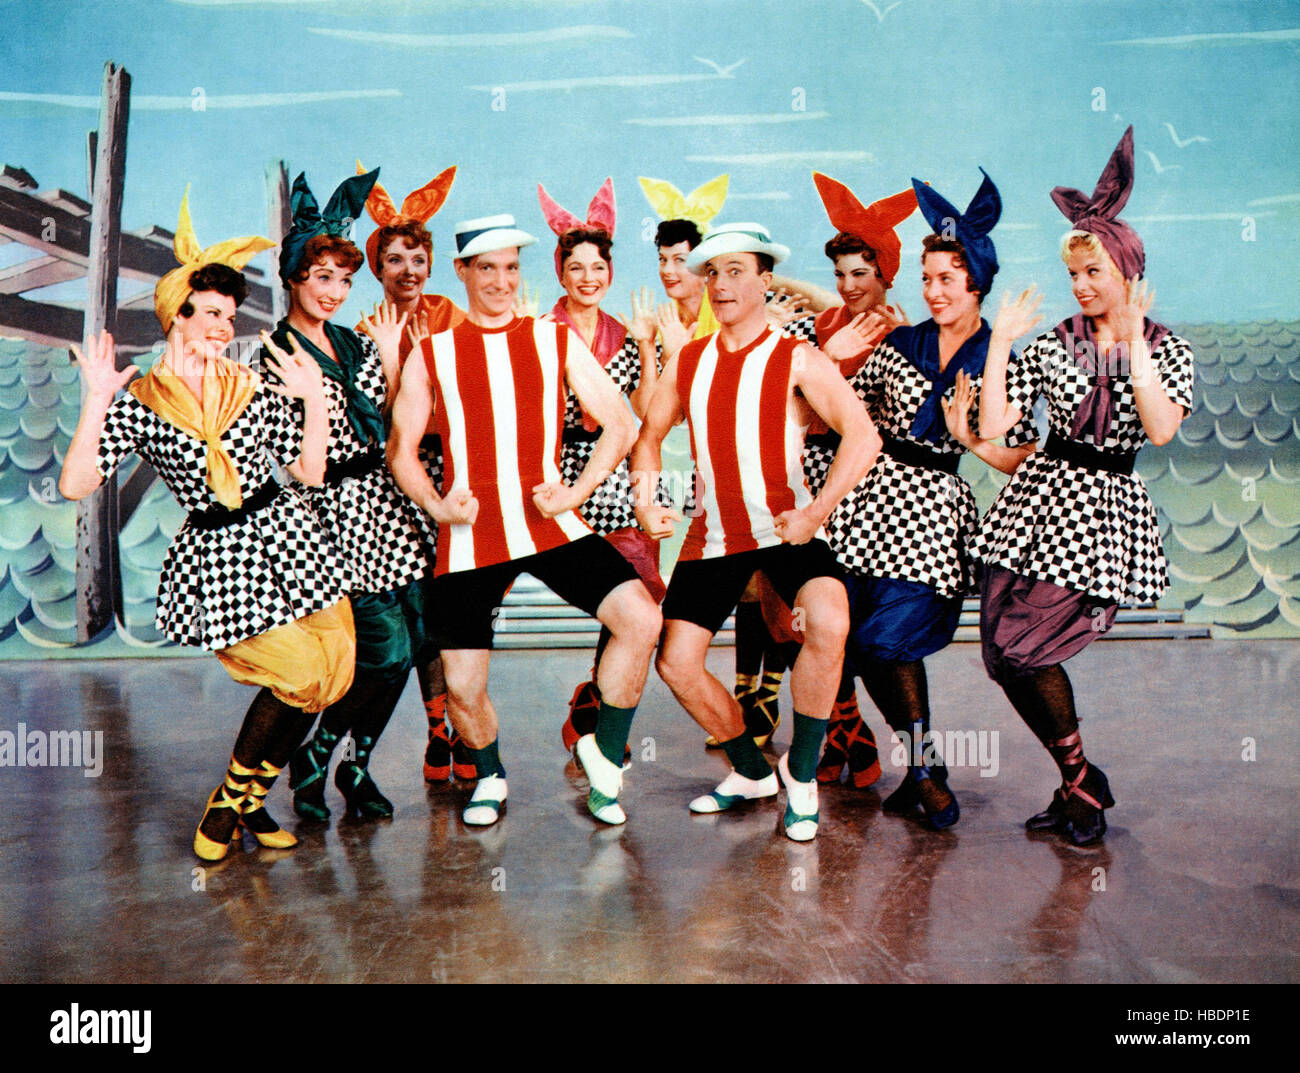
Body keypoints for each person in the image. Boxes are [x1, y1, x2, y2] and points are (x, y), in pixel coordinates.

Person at [58, 190, 355, 862]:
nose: (225, 325)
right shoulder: (140, 400)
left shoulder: (248, 384)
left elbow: (308, 472)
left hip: (289, 535)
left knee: (332, 670)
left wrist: (311, 401)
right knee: (301, 670)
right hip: (224, 553)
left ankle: (249, 804)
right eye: (213, 313)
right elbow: (77, 483)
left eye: (230, 313)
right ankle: (227, 803)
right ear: (177, 314)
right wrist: (98, 401)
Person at [388, 213, 662, 828]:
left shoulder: (552, 338)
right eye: (487, 268)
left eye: (512, 267)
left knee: (642, 620)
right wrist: (436, 506)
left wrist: (577, 491)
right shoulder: (432, 353)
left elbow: (621, 423)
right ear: (462, 272)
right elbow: (400, 451)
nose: (502, 280)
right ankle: (489, 776)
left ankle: (603, 754)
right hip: (470, 534)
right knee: (460, 686)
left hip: (547, 523)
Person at [974, 128, 1193, 846]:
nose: (1081, 286)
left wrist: (1131, 347)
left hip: (1100, 510)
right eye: (1074, 275)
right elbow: (1001, 424)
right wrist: (1002, 340)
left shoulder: (1168, 348)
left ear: (1127, 269)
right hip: (1038, 496)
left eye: (1094, 272)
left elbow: (1159, 429)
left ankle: (1081, 784)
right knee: (999, 651)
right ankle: (1078, 784)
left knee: (1028, 647)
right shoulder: (1054, 340)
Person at [631, 222, 880, 842]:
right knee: (678, 664)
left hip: (786, 528)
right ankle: (749, 770)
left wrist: (815, 512)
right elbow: (648, 437)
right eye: (712, 272)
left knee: (830, 620)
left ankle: (800, 777)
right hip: (712, 535)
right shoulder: (689, 360)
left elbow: (863, 436)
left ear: (766, 281)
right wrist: (648, 501)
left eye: (736, 270)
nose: (721, 283)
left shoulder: (796, 355)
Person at [824, 170, 1039, 830]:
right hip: (867, 504)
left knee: (887, 641)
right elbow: (849, 422)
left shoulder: (999, 356)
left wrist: (968, 435)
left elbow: (1021, 454)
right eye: (927, 279)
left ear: (975, 280)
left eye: (947, 278)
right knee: (852, 641)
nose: (934, 291)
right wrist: (828, 361)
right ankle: (924, 771)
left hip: (933, 509)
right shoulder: (899, 343)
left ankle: (924, 770)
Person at [262, 168, 432, 823]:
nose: (333, 291)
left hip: (390, 506)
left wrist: (390, 359)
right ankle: (316, 754)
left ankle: (347, 761)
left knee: (411, 646)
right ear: (293, 278)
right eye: (320, 277)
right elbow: (300, 467)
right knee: (382, 649)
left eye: (343, 279)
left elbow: (390, 427)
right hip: (333, 517)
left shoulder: (357, 341)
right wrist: (308, 400)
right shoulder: (274, 357)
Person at [780, 174, 916, 788]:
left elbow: (882, 426)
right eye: (840, 274)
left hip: (861, 485)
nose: (848, 286)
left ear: (885, 274)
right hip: (801, 476)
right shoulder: (825, 321)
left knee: (848, 618)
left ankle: (854, 734)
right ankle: (840, 725)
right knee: (797, 616)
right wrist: (813, 316)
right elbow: (790, 409)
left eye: (861, 274)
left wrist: (828, 356)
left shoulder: (901, 332)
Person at [536, 179, 669, 758]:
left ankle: (597, 708)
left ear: (609, 272)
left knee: (637, 591)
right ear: (560, 272)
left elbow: (641, 418)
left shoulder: (626, 331)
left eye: (598, 267)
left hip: (613, 473)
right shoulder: (539, 331)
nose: (588, 277)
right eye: (576, 267)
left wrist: (644, 347)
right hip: (552, 473)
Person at [355, 160, 476, 785]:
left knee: (452, 606)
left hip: (447, 474)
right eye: (394, 259)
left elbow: (457, 402)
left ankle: (457, 723)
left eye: (417, 259)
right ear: (377, 267)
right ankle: (434, 730)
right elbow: (376, 424)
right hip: (388, 487)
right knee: (413, 613)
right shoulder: (359, 333)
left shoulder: (452, 317)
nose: (407, 271)